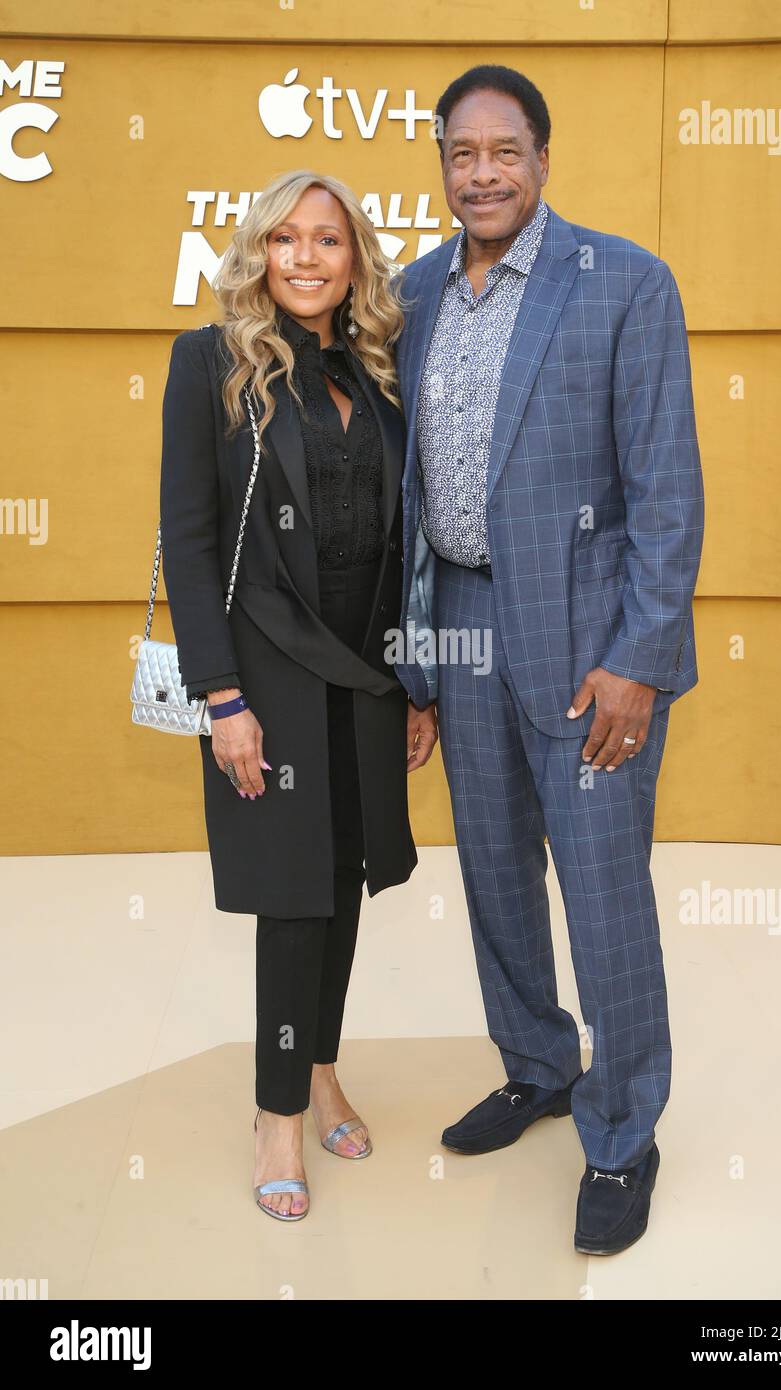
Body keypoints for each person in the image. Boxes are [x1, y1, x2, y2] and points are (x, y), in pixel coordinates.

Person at [393, 66, 704, 1254]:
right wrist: (418, 665)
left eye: (504, 150)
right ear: (441, 163)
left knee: (604, 895)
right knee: (492, 876)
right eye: (461, 152)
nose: (482, 172)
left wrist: (640, 659)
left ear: (542, 157)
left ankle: (623, 1135)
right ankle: (537, 1064)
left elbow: (667, 494)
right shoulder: (416, 293)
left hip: (588, 649)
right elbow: (413, 500)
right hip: (465, 628)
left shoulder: (623, 282)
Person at [159, 169, 438, 1222]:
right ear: (258, 255)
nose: (310, 258)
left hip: (364, 677)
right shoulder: (209, 363)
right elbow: (188, 537)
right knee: (293, 896)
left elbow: (404, 548)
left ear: (355, 257)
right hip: (266, 681)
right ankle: (279, 1113)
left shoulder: (373, 376)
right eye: (288, 240)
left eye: (329, 239)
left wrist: (415, 683)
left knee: (348, 875)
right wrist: (221, 696)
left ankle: (322, 1069)